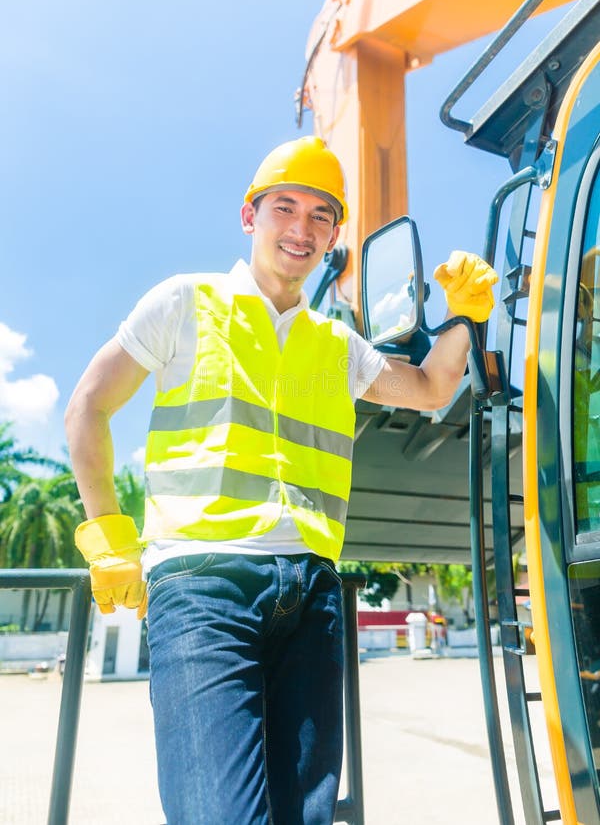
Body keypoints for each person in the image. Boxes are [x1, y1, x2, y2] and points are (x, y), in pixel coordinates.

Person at [65, 135, 497, 825]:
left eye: (321, 215)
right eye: (285, 208)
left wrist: (466, 314)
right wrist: (108, 536)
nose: (302, 228)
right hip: (203, 587)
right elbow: (87, 406)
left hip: (312, 590)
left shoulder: (336, 343)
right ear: (250, 216)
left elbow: (429, 388)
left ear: (333, 237)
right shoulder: (185, 301)